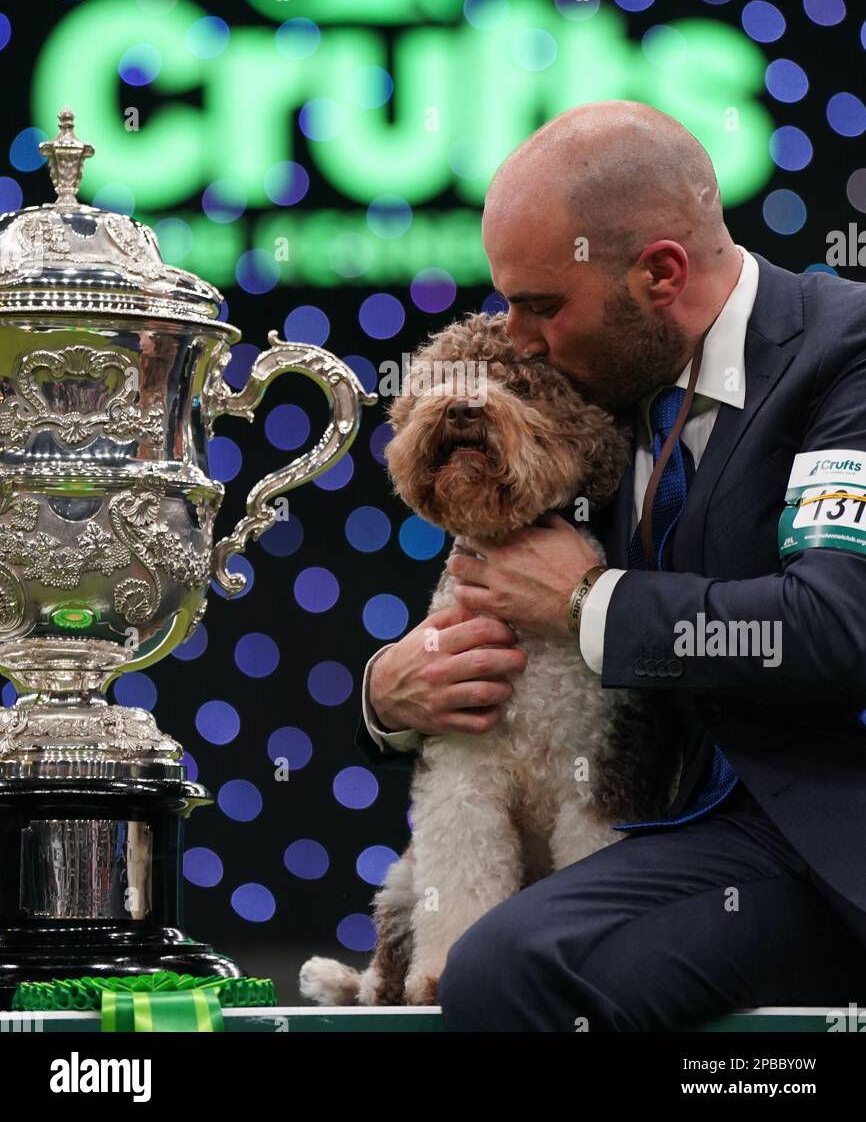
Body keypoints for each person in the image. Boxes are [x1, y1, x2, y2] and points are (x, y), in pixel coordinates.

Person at [355, 99, 866, 1031]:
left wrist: (594, 603)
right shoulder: (591, 390)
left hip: (824, 835)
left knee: (510, 970)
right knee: (488, 960)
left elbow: (833, 626)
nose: (516, 338)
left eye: (540, 306)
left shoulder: (848, 355)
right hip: (677, 836)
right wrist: (390, 698)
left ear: (659, 274)